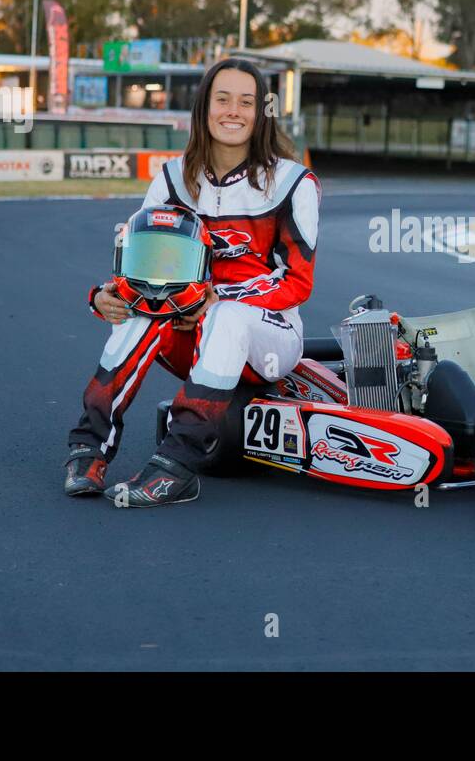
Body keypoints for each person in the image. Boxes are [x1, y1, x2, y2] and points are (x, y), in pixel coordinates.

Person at [64, 58, 320, 506]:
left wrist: (213, 298)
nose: (233, 111)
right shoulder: (170, 177)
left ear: (262, 113)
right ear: (204, 108)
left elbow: (297, 283)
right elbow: (141, 265)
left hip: (269, 338)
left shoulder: (293, 182)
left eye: (246, 102)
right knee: (140, 309)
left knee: (226, 316)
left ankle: (177, 466)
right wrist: (103, 296)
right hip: (190, 333)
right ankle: (90, 447)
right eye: (223, 99)